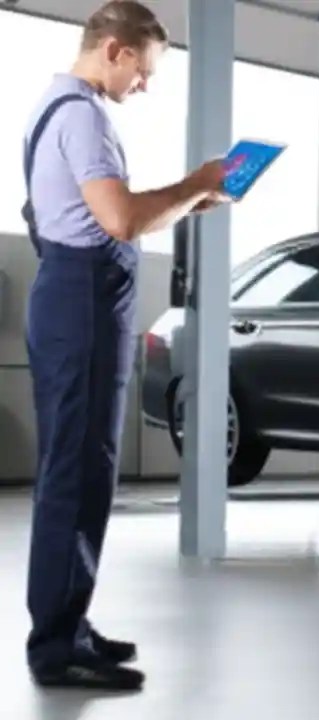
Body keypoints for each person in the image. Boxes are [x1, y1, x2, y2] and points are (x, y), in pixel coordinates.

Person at [22, 0, 230, 691]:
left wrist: (185, 201)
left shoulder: (57, 108)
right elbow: (118, 219)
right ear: (114, 50)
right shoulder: (82, 116)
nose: (145, 86)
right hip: (80, 301)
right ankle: (55, 646)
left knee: (85, 468)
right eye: (143, 71)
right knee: (74, 473)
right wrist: (195, 185)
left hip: (71, 296)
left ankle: (69, 622)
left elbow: (98, 211)